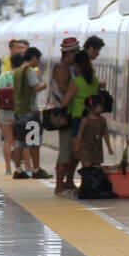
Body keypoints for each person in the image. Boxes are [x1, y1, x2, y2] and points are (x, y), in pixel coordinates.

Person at [59, 47, 100, 187]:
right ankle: (85, 182)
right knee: (89, 151)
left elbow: (64, 102)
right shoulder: (94, 81)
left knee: (79, 151)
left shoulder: (76, 82)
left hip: (78, 121)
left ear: (77, 66)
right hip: (94, 121)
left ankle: (86, 183)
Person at [50, 37, 81, 193]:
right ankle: (58, 185)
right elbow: (63, 91)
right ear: (69, 54)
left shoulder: (68, 69)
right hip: (65, 116)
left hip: (70, 115)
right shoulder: (62, 69)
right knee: (65, 151)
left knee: (73, 151)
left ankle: (68, 181)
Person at [12, 47, 49, 180]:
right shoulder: (30, 71)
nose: (38, 62)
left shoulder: (17, 71)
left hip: (18, 112)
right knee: (34, 143)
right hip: (30, 112)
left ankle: (18, 170)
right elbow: (36, 87)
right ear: (33, 57)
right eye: (38, 59)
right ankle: (36, 169)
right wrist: (44, 84)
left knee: (19, 143)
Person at [0, 52, 20, 175]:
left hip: (6, 112)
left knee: (8, 141)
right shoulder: (23, 75)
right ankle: (25, 166)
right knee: (23, 140)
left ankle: (8, 168)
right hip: (21, 112)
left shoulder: (4, 76)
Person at [73, 93, 113, 168]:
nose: (102, 108)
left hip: (97, 151)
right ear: (92, 106)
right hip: (86, 150)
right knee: (88, 170)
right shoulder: (85, 120)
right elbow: (80, 133)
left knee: (96, 170)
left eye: (102, 106)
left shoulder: (103, 121)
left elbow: (105, 134)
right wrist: (77, 144)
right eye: (100, 106)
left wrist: (109, 146)